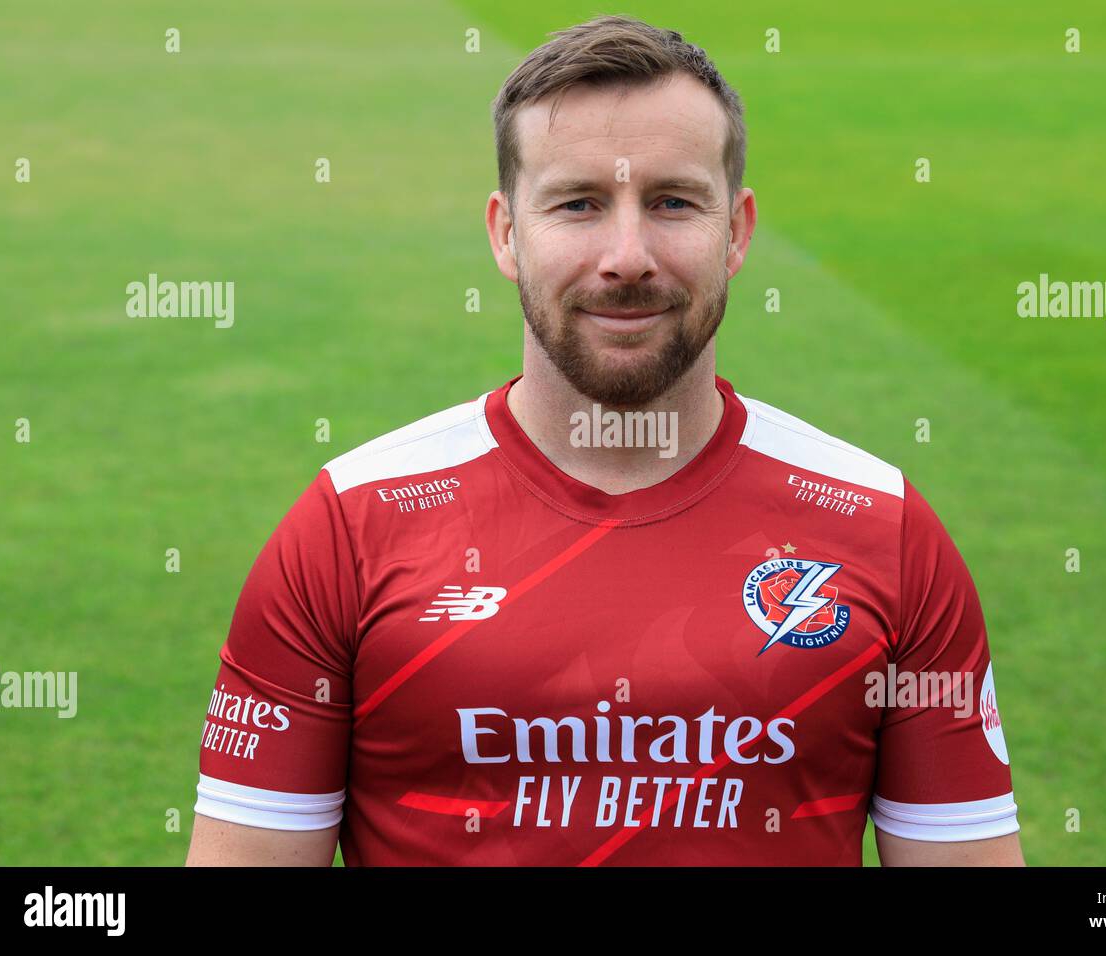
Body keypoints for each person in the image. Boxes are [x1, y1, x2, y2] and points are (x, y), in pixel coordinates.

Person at [186, 14, 1023, 866]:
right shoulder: (349, 527)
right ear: (506, 233)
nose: (628, 257)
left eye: (672, 202)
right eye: (579, 204)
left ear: (736, 231)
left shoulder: (883, 530)